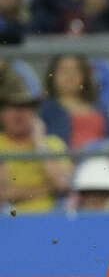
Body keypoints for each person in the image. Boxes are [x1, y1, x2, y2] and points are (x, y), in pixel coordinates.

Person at [0, 71, 72, 214]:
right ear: (1, 113)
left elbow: (62, 185)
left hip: (50, 218)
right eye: (12, 107)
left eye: (25, 106)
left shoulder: (52, 144)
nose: (18, 113)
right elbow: (4, 194)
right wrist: (46, 188)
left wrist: (39, 144)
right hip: (8, 220)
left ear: (34, 112)